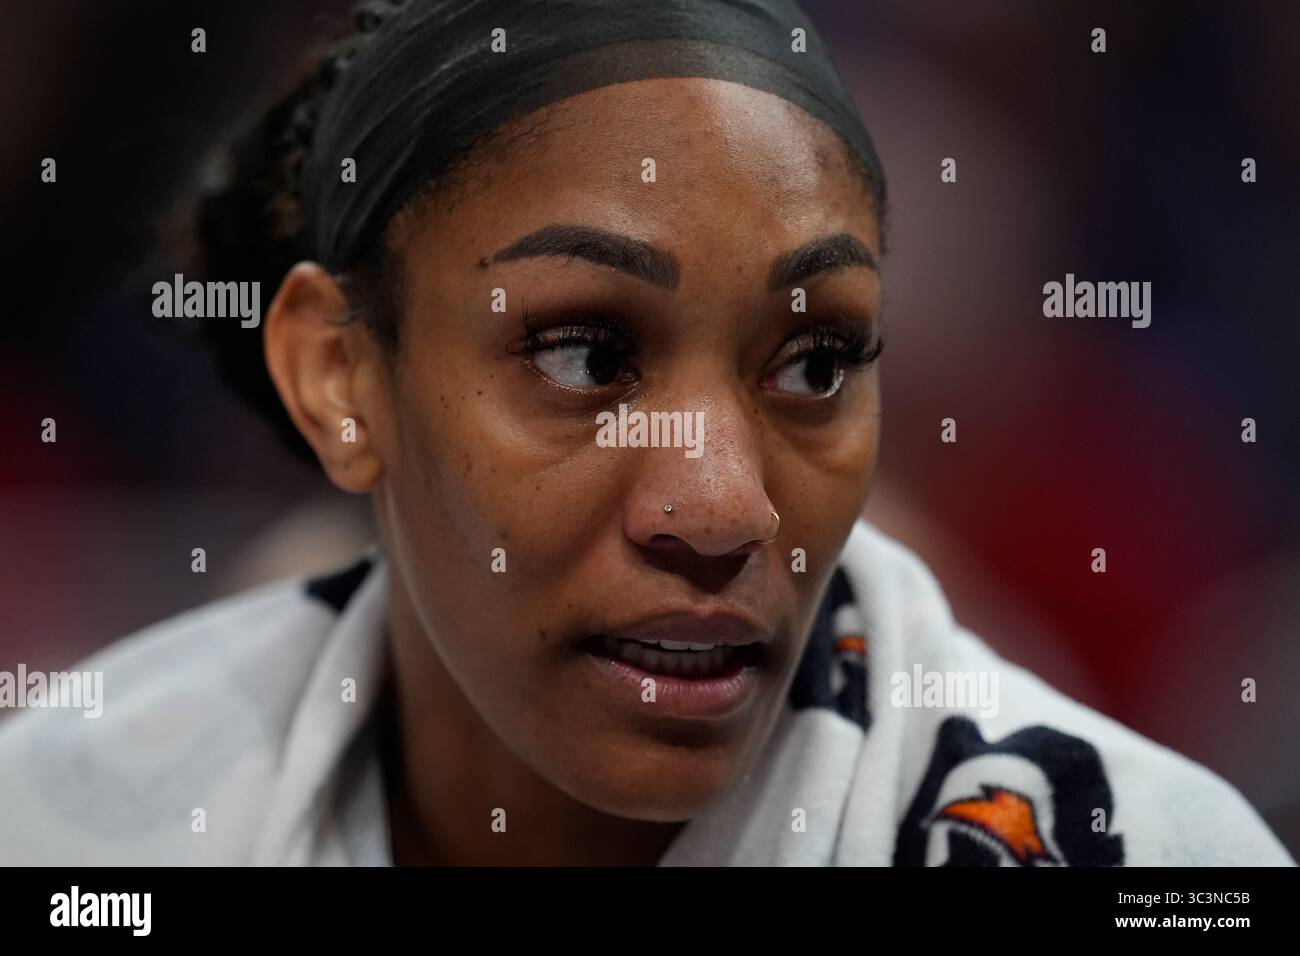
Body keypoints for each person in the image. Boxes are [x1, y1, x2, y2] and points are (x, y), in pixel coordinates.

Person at [0, 0, 1291, 866]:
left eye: (814, 360)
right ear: (338, 376)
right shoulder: (66, 821)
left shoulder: (1156, 855)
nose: (725, 507)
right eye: (584, 354)